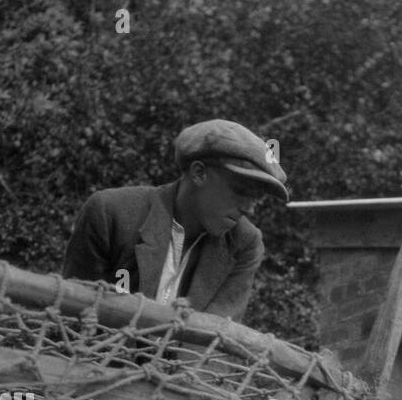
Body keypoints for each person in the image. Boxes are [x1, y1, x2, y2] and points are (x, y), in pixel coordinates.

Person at [62, 119, 289, 322]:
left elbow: (214, 344)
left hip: (185, 369)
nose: (249, 208)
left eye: (256, 198)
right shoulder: (111, 214)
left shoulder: (244, 243)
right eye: (241, 191)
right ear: (199, 173)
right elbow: (73, 316)